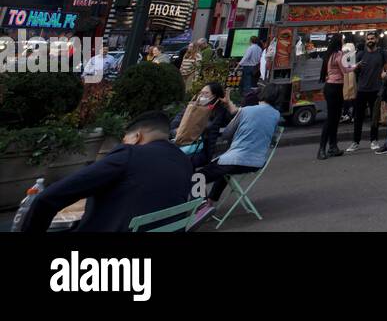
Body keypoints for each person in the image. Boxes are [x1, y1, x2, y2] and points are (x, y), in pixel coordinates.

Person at [19, 111, 193, 232]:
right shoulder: (184, 161)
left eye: (124, 140)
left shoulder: (130, 154)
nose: (123, 143)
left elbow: (48, 198)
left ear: (137, 136)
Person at [196, 84, 282, 212]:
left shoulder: (247, 110)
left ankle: (200, 209)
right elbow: (239, 112)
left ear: (262, 94)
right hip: (257, 162)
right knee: (224, 171)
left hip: (238, 159)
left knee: (197, 177)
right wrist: (229, 103)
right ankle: (209, 203)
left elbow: (227, 134)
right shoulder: (276, 115)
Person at [175, 81, 237, 168]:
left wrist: (228, 103)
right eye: (201, 93)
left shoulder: (220, 111)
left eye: (206, 93)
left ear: (215, 96)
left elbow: (236, 119)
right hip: (184, 145)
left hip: (202, 150)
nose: (202, 96)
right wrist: (177, 130)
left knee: (182, 163)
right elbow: (176, 122)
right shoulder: (193, 107)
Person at [347, 31, 387, 152]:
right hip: (361, 90)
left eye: (372, 38)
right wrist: (356, 68)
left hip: (376, 90)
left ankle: (374, 140)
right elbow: (351, 69)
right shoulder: (360, 54)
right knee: (358, 117)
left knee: (374, 117)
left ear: (376, 40)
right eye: (368, 39)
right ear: (365, 41)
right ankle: (355, 142)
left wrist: (385, 76)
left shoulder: (382, 53)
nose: (370, 40)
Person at [317, 34, 346, 160]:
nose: (343, 42)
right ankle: (322, 149)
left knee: (334, 118)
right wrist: (357, 65)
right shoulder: (339, 54)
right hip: (335, 88)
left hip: (330, 87)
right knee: (331, 119)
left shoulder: (329, 55)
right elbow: (345, 69)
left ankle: (333, 147)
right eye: (342, 40)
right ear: (339, 42)